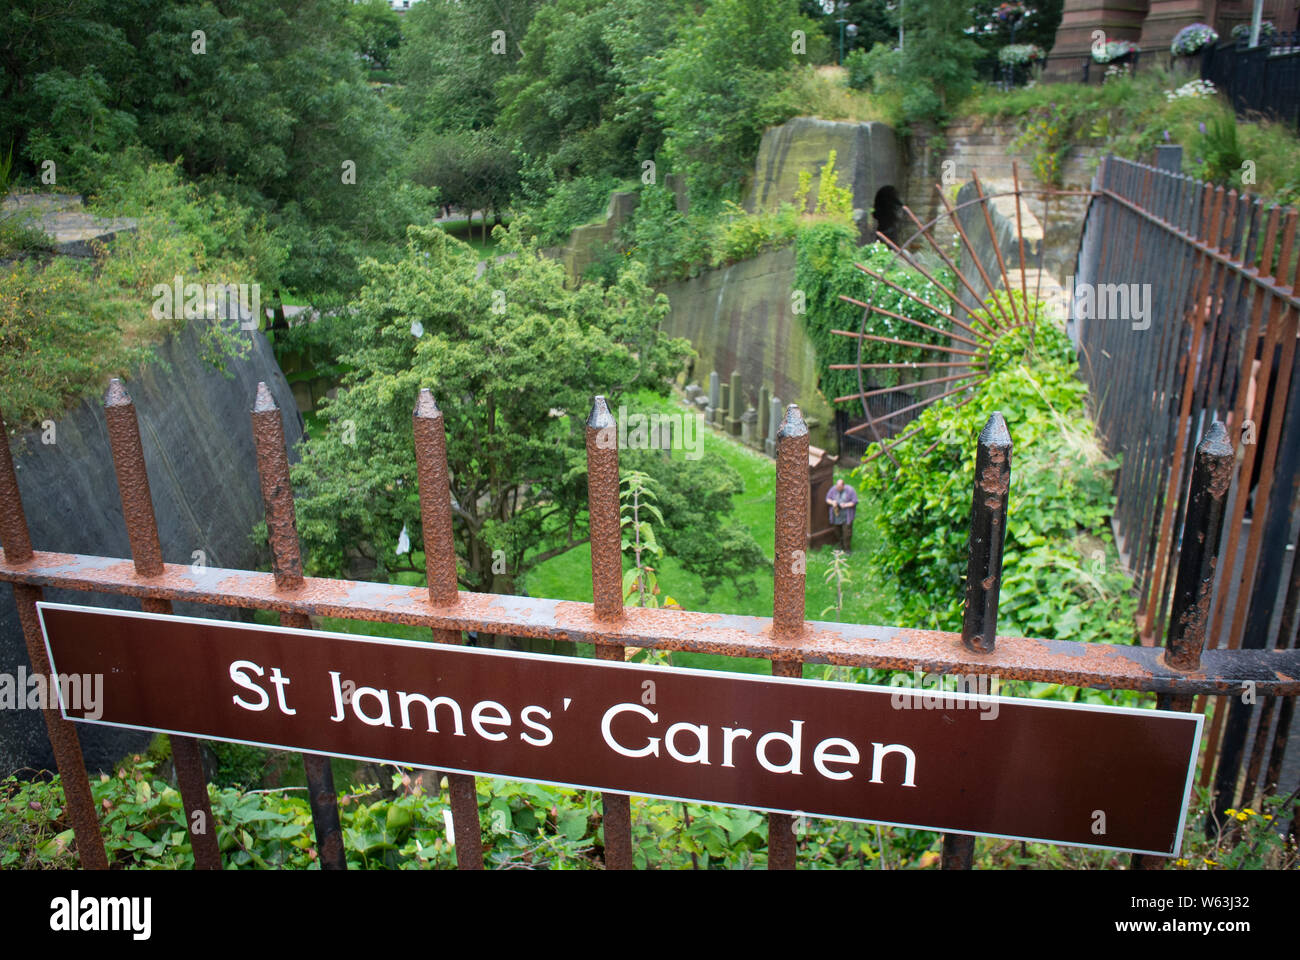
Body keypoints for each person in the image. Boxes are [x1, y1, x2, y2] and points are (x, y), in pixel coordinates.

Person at [825, 478, 858, 553]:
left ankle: (847, 549)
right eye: (837, 487)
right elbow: (827, 499)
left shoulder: (850, 490)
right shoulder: (833, 490)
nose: (838, 489)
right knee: (837, 532)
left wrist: (846, 505)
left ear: (843, 486)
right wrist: (832, 502)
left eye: (840, 488)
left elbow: (854, 501)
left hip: (846, 516)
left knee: (847, 533)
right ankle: (840, 545)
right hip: (836, 515)